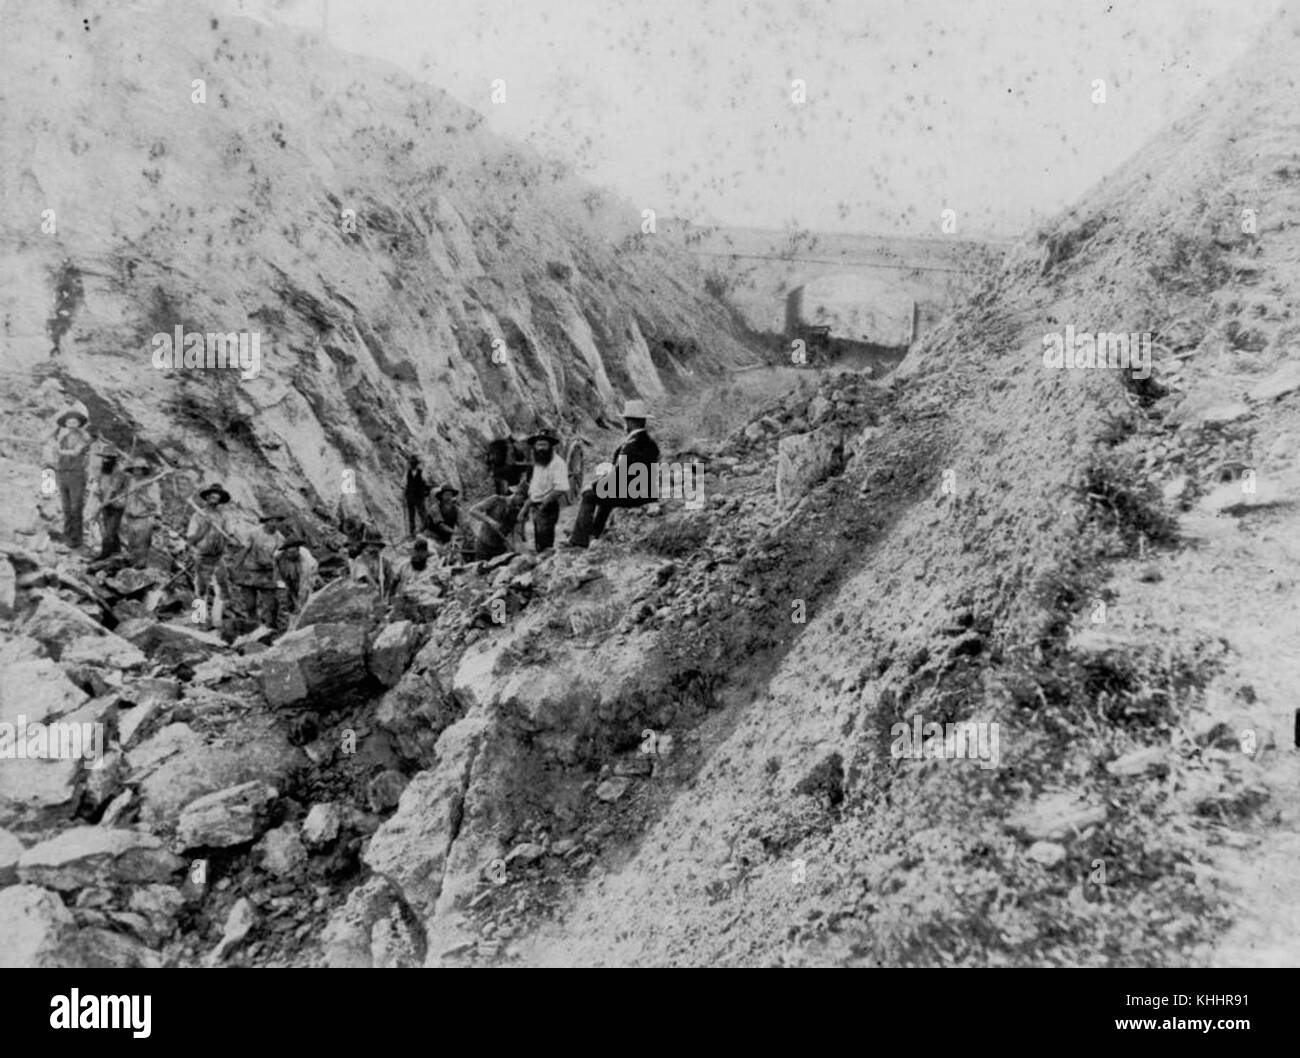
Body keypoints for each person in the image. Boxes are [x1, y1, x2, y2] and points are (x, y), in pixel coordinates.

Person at [568, 400, 660, 548]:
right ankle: (594, 535)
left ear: (629, 422)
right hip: (642, 492)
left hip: (634, 494)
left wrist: (593, 485)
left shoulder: (632, 445)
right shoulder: (649, 442)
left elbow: (620, 475)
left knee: (589, 495)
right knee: (606, 496)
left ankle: (579, 540)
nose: (625, 424)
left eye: (626, 421)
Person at [230, 507, 287, 632]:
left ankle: (270, 627)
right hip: (249, 572)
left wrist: (277, 570)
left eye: (277, 521)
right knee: (250, 604)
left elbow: (279, 557)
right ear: (266, 522)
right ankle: (253, 626)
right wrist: (235, 567)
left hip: (267, 573)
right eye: (271, 521)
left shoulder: (280, 538)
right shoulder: (254, 533)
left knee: (271, 604)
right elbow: (244, 551)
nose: (274, 524)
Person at [187, 483, 232, 627]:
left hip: (218, 557)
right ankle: (199, 620)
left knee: (222, 589)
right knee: (201, 588)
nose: (214, 499)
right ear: (206, 498)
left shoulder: (224, 517)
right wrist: (205, 527)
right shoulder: (197, 515)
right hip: (202, 556)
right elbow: (191, 539)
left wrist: (227, 539)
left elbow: (228, 536)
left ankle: (217, 622)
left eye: (217, 497)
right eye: (212, 496)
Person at [50, 403, 92, 548]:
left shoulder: (84, 437)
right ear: (66, 423)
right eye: (69, 421)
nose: (71, 423)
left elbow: (76, 452)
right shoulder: (64, 437)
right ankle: (66, 536)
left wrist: (59, 451)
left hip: (77, 475)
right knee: (66, 507)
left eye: (74, 421)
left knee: (76, 508)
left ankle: (76, 539)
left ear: (79, 423)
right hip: (63, 474)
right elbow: (57, 457)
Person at [525, 428, 569, 553]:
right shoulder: (539, 462)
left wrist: (544, 504)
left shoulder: (558, 464)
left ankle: (546, 565)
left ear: (551, 446)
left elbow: (561, 488)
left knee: (545, 544)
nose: (540, 448)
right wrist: (527, 506)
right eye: (538, 445)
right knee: (538, 541)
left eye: (544, 444)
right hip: (536, 506)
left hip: (548, 507)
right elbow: (534, 486)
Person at [463, 482, 528, 562]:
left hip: (500, 548)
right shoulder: (496, 500)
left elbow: (514, 532)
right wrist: (490, 521)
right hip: (484, 544)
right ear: (517, 494)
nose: (522, 502)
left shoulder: (517, 512)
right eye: (522, 498)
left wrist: (514, 547)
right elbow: (473, 510)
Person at [119, 458, 161, 568]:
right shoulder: (131, 482)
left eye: (139, 470)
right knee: (132, 545)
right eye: (134, 470)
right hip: (131, 518)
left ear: (144, 471)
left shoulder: (152, 485)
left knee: (141, 547)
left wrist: (141, 494)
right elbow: (128, 500)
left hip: (144, 519)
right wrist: (125, 514)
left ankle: (140, 570)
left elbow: (153, 505)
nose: (136, 472)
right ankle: (130, 571)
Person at [92, 445, 128, 561]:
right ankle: (117, 552)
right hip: (105, 504)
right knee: (110, 529)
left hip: (116, 505)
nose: (105, 460)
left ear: (114, 459)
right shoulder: (103, 469)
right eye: (104, 457)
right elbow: (100, 484)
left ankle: (104, 555)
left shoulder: (119, 471)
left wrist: (102, 504)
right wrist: (98, 493)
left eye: (109, 458)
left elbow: (113, 489)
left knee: (109, 532)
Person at [275, 537, 320, 621]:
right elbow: (276, 573)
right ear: (285, 552)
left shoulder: (305, 559)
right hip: (288, 576)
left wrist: (300, 604)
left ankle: (306, 613)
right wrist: (283, 584)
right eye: (290, 553)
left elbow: (304, 584)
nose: (293, 555)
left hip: (309, 574)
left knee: (306, 594)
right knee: (287, 595)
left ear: (298, 550)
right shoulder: (278, 557)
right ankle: (289, 614)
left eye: (295, 552)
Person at [404, 454, 431, 538]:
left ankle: (426, 529)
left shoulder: (422, 472)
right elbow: (404, 485)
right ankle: (412, 533)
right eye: (411, 463)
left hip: (419, 497)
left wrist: (425, 493)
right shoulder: (407, 473)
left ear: (416, 464)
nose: (412, 465)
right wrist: (405, 494)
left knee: (422, 513)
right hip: (410, 497)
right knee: (411, 515)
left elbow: (427, 484)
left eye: (414, 463)